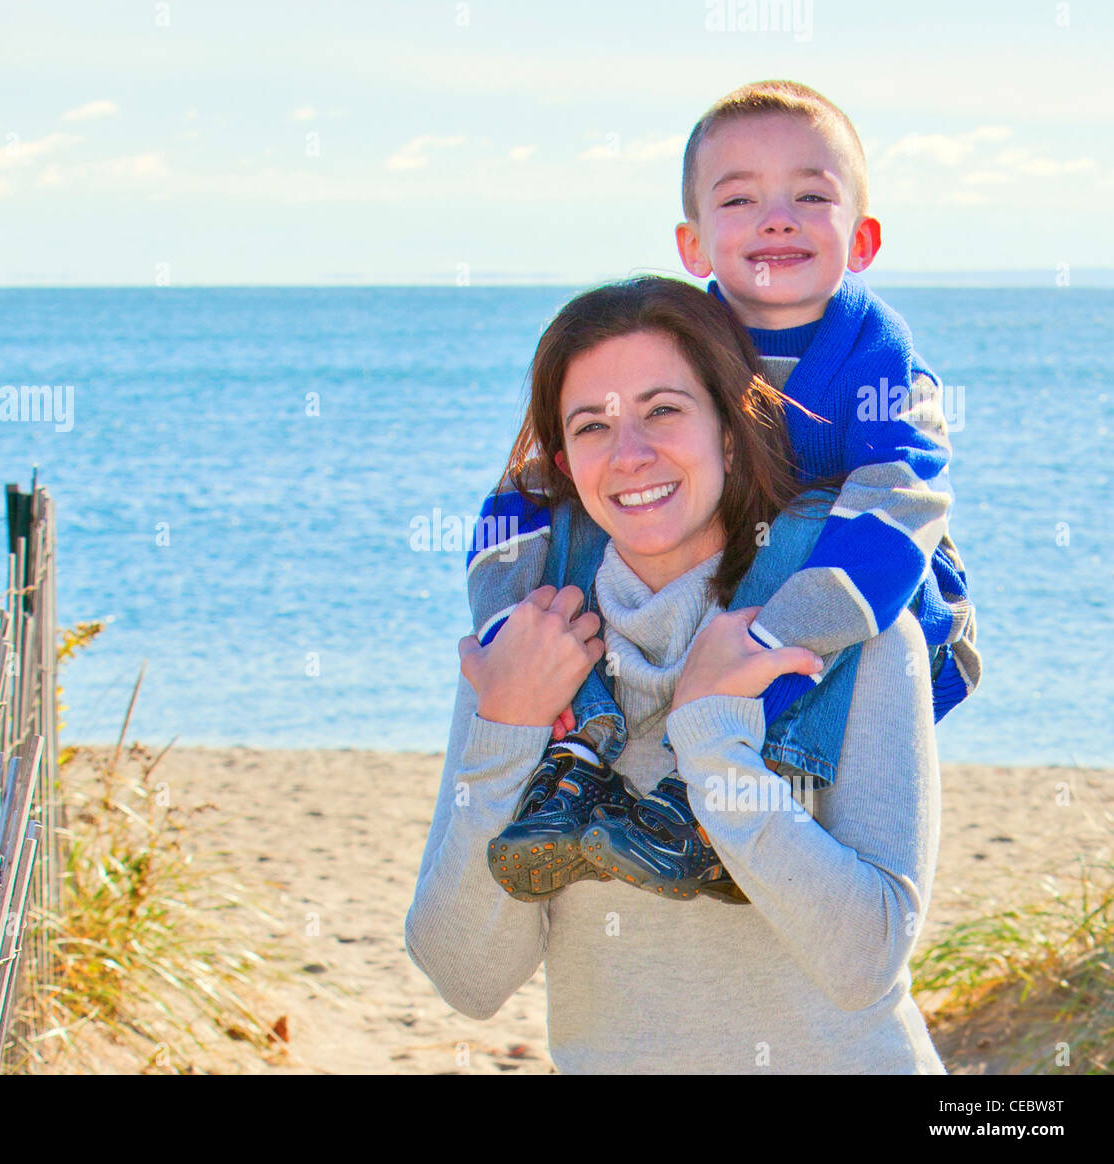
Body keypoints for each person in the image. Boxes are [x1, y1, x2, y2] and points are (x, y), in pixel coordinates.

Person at [405, 277, 947, 1073]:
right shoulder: (525, 649)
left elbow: (866, 961)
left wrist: (714, 739)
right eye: (593, 426)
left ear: (730, 431)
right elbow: (465, 976)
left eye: (663, 411)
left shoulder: (854, 629)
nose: (630, 454)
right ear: (565, 462)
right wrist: (509, 728)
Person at [466, 79, 979, 896]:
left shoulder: (882, 363)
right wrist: (504, 626)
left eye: (811, 195)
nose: (777, 218)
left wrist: (768, 650)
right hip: (753, 558)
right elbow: (532, 482)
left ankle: (741, 786)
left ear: (866, 237)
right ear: (695, 245)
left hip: (875, 585)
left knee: (815, 523)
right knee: (593, 506)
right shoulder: (682, 339)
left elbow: (898, 513)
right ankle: (579, 755)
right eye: (739, 199)